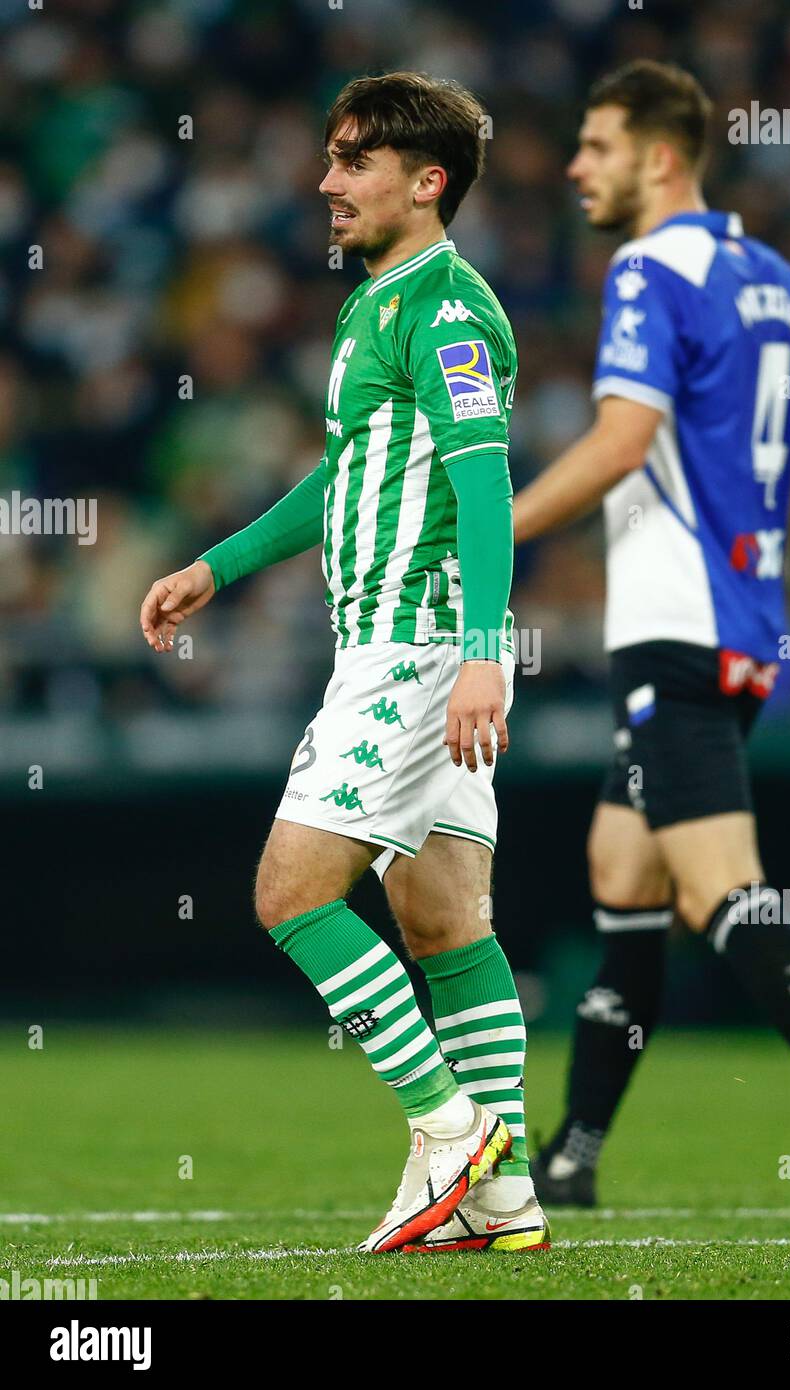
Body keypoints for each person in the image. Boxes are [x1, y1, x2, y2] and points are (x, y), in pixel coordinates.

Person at [515, 60, 790, 1214]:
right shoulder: (789, 286)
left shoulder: (649, 268)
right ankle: (575, 1156)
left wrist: (492, 530)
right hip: (748, 630)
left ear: (659, 156)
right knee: (624, 865)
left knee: (720, 890)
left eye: (595, 145)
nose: (575, 167)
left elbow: (619, 440)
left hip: (673, 628)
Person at [140, 71, 548, 1254]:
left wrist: (478, 653)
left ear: (427, 185)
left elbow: (484, 483)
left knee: (291, 893)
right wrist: (219, 563)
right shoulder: (375, 306)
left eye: (354, 163)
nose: (325, 183)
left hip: (421, 645)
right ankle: (505, 1199)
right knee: (443, 919)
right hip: (413, 643)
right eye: (329, 158)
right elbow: (343, 477)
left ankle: (446, 1126)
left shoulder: (450, 310)